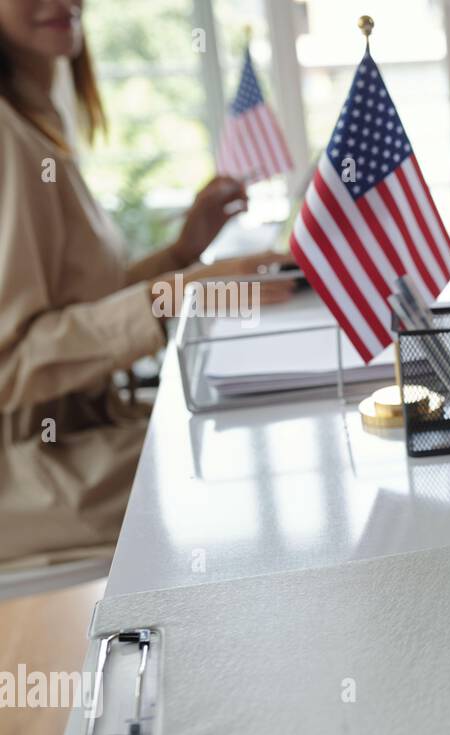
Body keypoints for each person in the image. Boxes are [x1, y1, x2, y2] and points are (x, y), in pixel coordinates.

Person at [0, 0, 292, 569]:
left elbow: (73, 306)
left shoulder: (37, 115)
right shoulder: (7, 136)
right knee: (250, 463)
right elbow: (11, 361)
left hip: (81, 433)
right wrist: (172, 295)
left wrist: (183, 253)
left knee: (256, 437)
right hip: (29, 468)